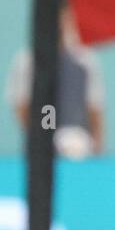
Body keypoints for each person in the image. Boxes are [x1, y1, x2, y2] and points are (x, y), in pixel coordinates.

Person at [7, 8, 106, 159]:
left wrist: (98, 147)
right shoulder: (28, 62)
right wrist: (42, 136)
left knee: (73, 142)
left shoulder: (84, 61)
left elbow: (94, 109)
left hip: (78, 141)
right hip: (42, 140)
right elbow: (22, 107)